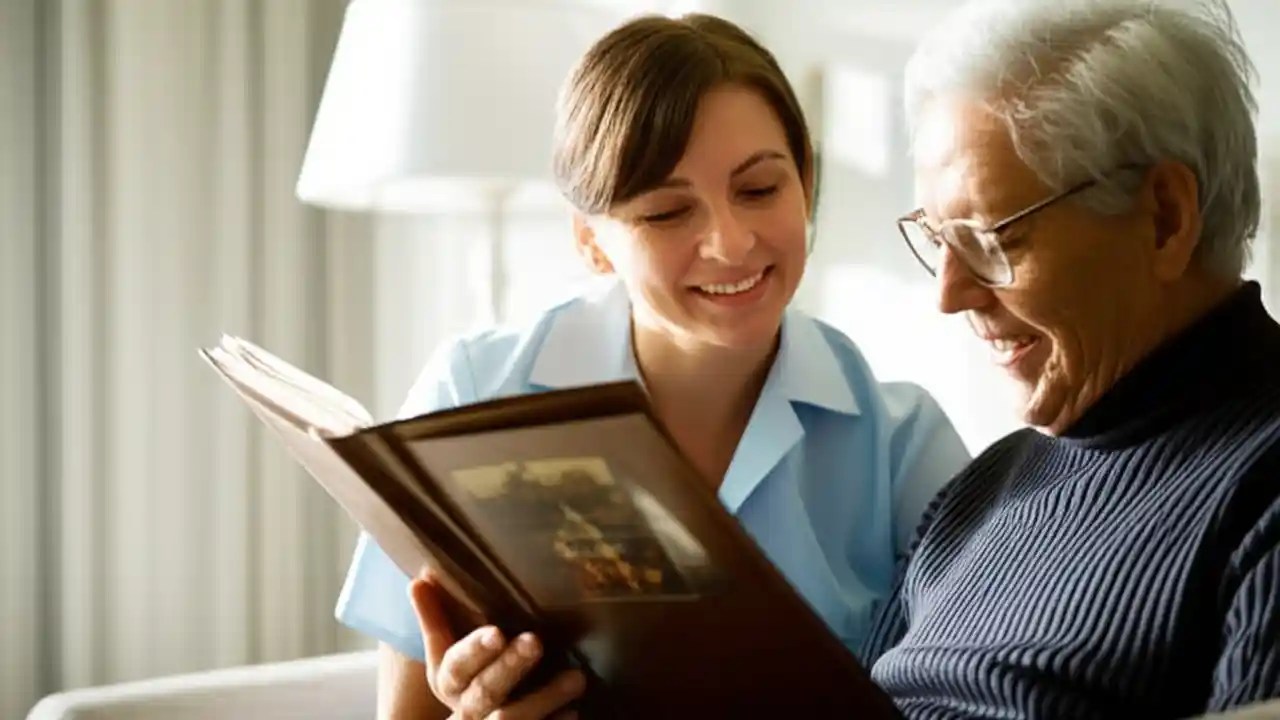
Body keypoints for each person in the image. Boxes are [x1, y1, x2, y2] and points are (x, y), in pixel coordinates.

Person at [334, 12, 971, 720]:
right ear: (590, 241)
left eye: (759, 189)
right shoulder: (471, 397)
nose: (730, 242)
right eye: (668, 212)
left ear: (806, 181)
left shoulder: (903, 448)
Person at [860, 0, 1280, 716]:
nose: (950, 295)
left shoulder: (1261, 482)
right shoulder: (982, 490)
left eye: (991, 240)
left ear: (1165, 218)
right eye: (939, 240)